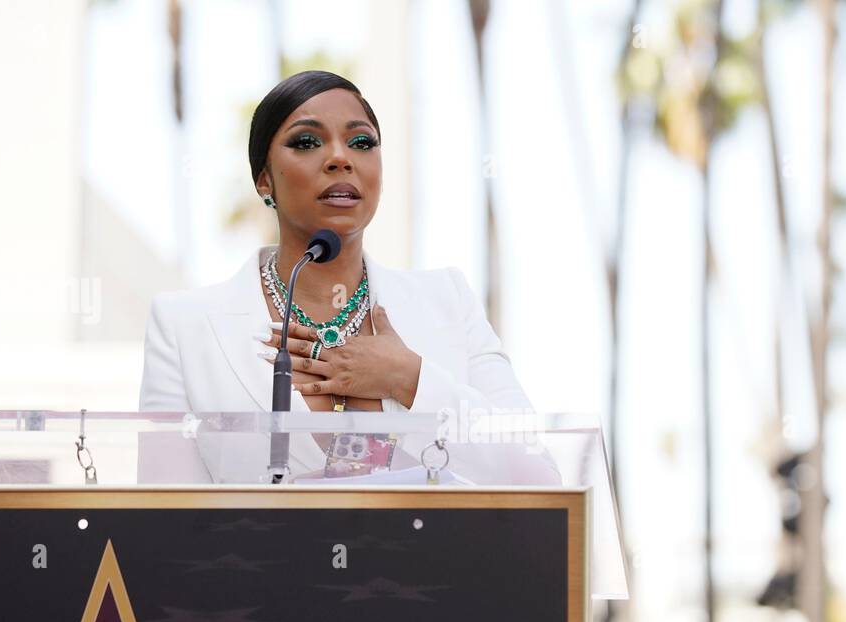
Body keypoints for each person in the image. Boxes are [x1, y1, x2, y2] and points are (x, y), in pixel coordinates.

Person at [137, 71, 543, 480]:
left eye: (361, 142)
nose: (339, 158)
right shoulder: (184, 327)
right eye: (307, 142)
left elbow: (535, 475)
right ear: (265, 181)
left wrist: (408, 379)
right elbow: (167, 517)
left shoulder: (448, 301)